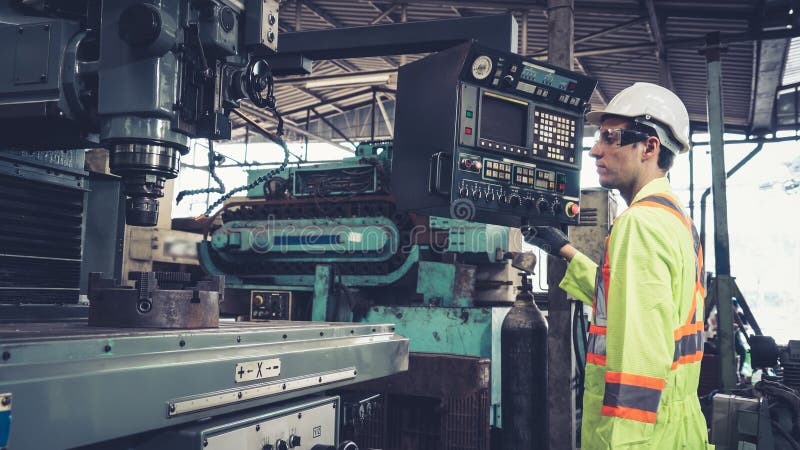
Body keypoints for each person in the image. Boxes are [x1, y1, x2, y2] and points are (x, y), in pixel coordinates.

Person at [526, 82, 709, 449]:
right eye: (598, 137)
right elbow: (632, 303)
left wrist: (625, 444)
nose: (595, 150)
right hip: (676, 427)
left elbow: (639, 357)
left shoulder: (638, 224)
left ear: (650, 147)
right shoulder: (674, 219)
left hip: (641, 436)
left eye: (610, 138)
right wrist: (563, 249)